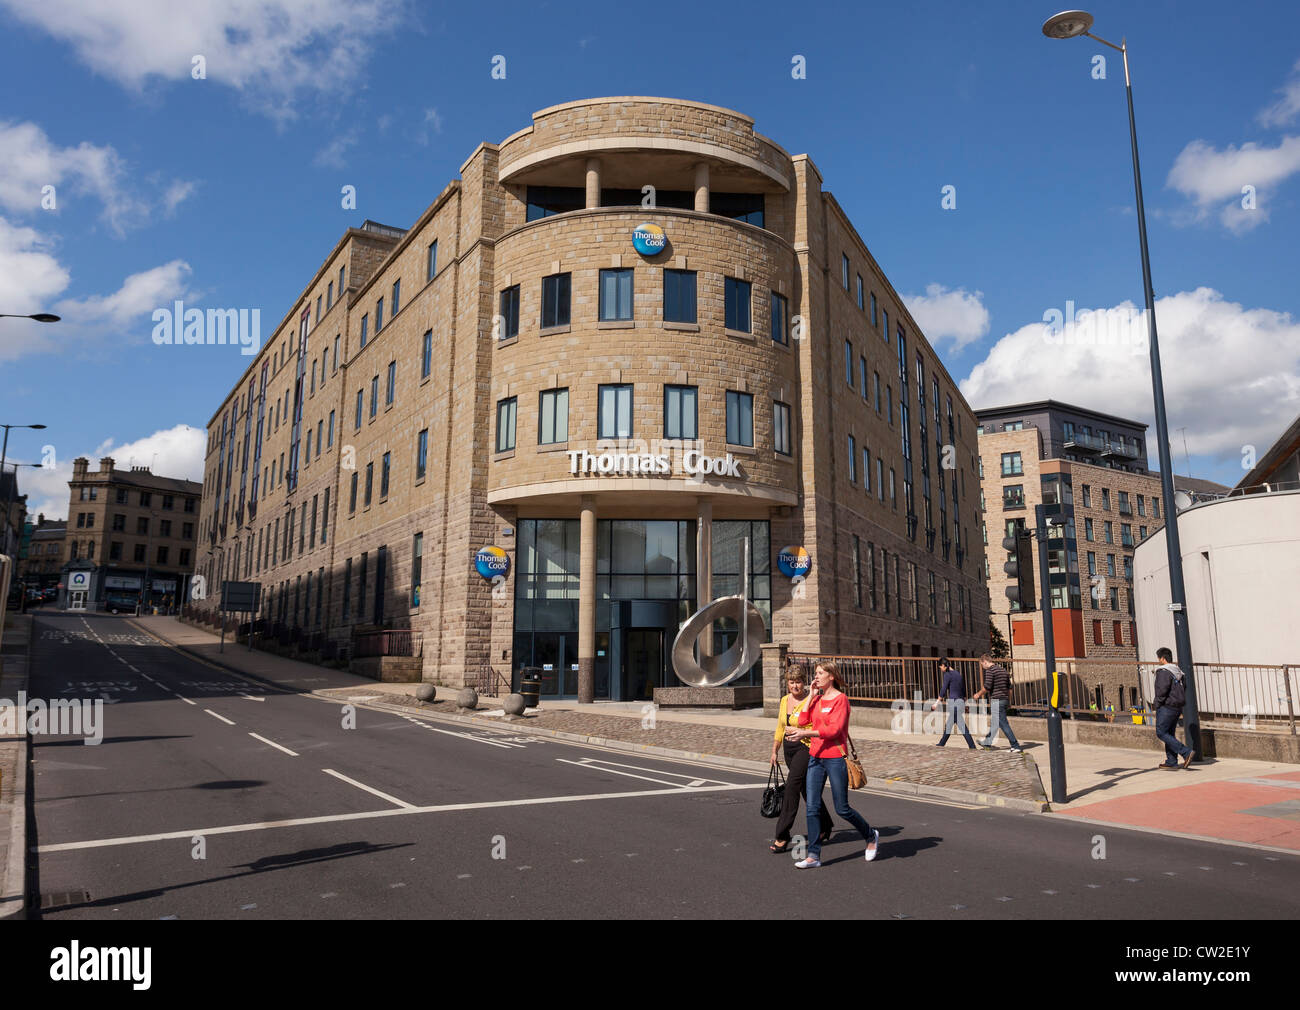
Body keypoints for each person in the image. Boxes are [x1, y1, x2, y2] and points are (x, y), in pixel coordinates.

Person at [785, 662, 879, 867]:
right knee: (812, 807)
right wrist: (810, 695)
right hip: (815, 757)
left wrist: (806, 733)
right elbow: (801, 720)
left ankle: (871, 836)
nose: (815, 677)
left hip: (835, 757)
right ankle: (813, 856)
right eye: (815, 673)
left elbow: (835, 731)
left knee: (842, 808)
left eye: (820, 673)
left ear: (832, 676)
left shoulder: (841, 700)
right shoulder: (817, 699)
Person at [768, 666, 834, 853]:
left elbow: (817, 725)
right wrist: (775, 750)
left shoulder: (812, 700)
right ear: (787, 683)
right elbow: (780, 727)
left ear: (804, 682)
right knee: (806, 789)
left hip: (806, 747)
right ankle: (825, 825)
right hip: (789, 749)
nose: (795, 686)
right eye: (791, 682)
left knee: (792, 786)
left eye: (798, 681)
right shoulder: (783, 700)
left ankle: (782, 835)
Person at [1152, 646, 1194, 770]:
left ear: (1163, 658)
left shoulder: (1163, 671)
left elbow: (1161, 690)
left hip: (1167, 706)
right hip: (1177, 706)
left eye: (1159, 658)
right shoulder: (1178, 671)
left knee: (1161, 732)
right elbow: (1184, 687)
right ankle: (1171, 761)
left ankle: (1186, 752)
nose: (1159, 660)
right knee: (1169, 733)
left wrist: (1157, 704)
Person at [972, 654, 1022, 753]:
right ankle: (987, 741)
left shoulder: (990, 671)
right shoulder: (1003, 670)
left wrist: (978, 694)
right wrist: (1009, 701)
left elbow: (987, 686)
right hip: (1004, 700)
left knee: (1003, 723)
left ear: (985, 662)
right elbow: (1010, 688)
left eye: (982, 665)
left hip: (997, 700)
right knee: (995, 722)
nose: (983, 667)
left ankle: (1015, 745)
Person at [931, 657, 975, 749]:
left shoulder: (948, 674)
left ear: (943, 665)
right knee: (950, 724)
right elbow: (963, 690)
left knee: (961, 726)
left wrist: (936, 702)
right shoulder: (958, 674)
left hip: (954, 702)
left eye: (941, 667)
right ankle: (941, 743)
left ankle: (972, 746)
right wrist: (965, 704)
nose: (941, 670)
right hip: (960, 702)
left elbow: (943, 689)